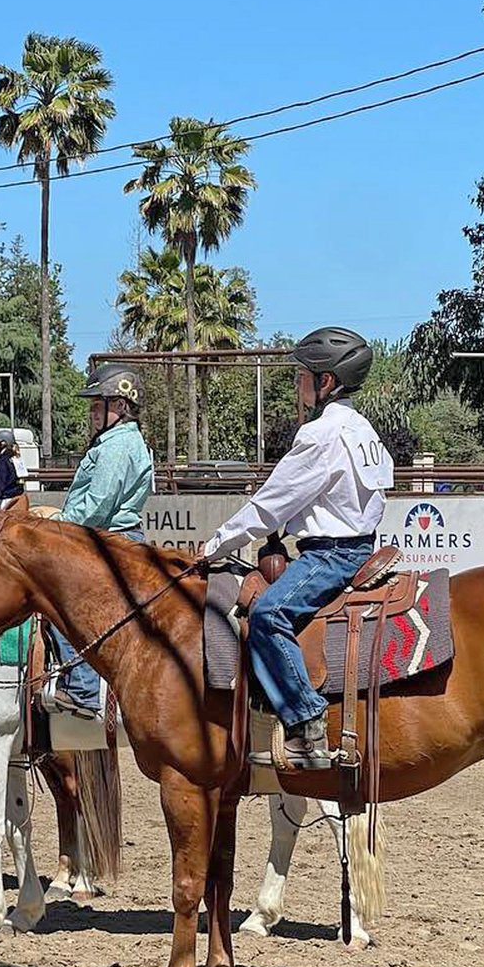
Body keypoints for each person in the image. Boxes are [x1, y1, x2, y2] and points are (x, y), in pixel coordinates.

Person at [201, 327, 391, 770]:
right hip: (362, 546)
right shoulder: (363, 430)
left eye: (303, 375)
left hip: (331, 555)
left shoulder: (319, 435)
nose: (297, 384)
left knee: (268, 615)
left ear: (326, 381)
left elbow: (269, 505)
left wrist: (215, 546)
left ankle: (307, 725)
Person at [47, 363, 157, 717]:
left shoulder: (117, 446)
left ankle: (80, 688)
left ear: (120, 406)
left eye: (99, 404)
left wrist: (56, 526)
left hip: (108, 539)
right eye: (93, 405)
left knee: (61, 604)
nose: (93, 412)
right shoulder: (119, 441)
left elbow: (98, 504)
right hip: (110, 537)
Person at [0, 428, 25, 508]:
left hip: (5, 500)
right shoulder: (16, 458)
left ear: (3, 443)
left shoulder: (2, 461)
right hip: (18, 497)